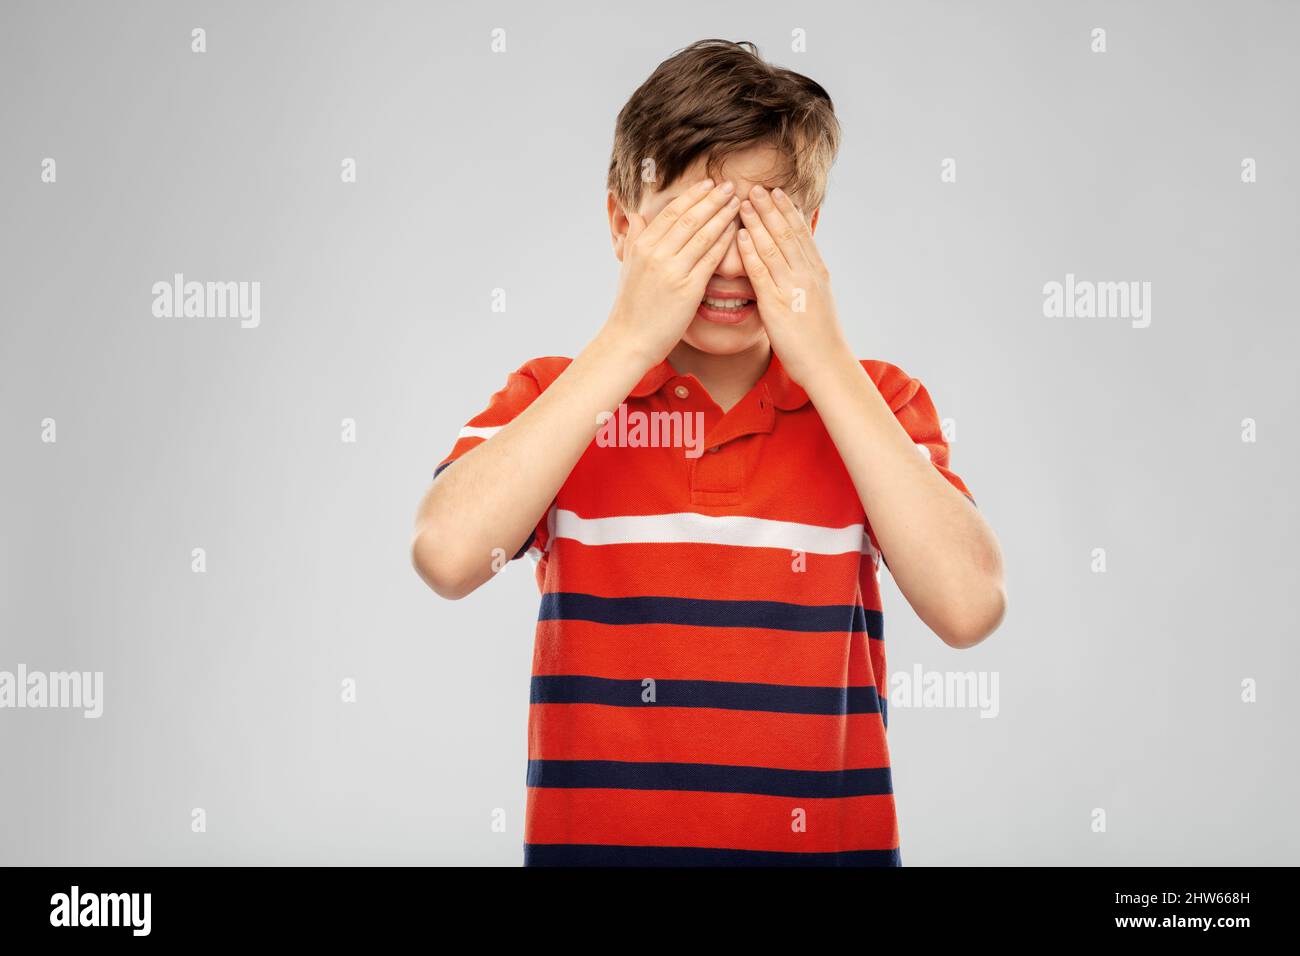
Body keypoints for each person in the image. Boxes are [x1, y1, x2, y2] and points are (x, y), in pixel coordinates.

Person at [412, 39, 1006, 866]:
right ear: (624, 226)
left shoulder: (876, 404)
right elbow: (444, 556)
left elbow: (970, 607)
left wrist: (826, 362)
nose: (728, 264)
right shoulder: (563, 400)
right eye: (695, 226)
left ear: (810, 234)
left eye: (761, 225)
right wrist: (626, 339)